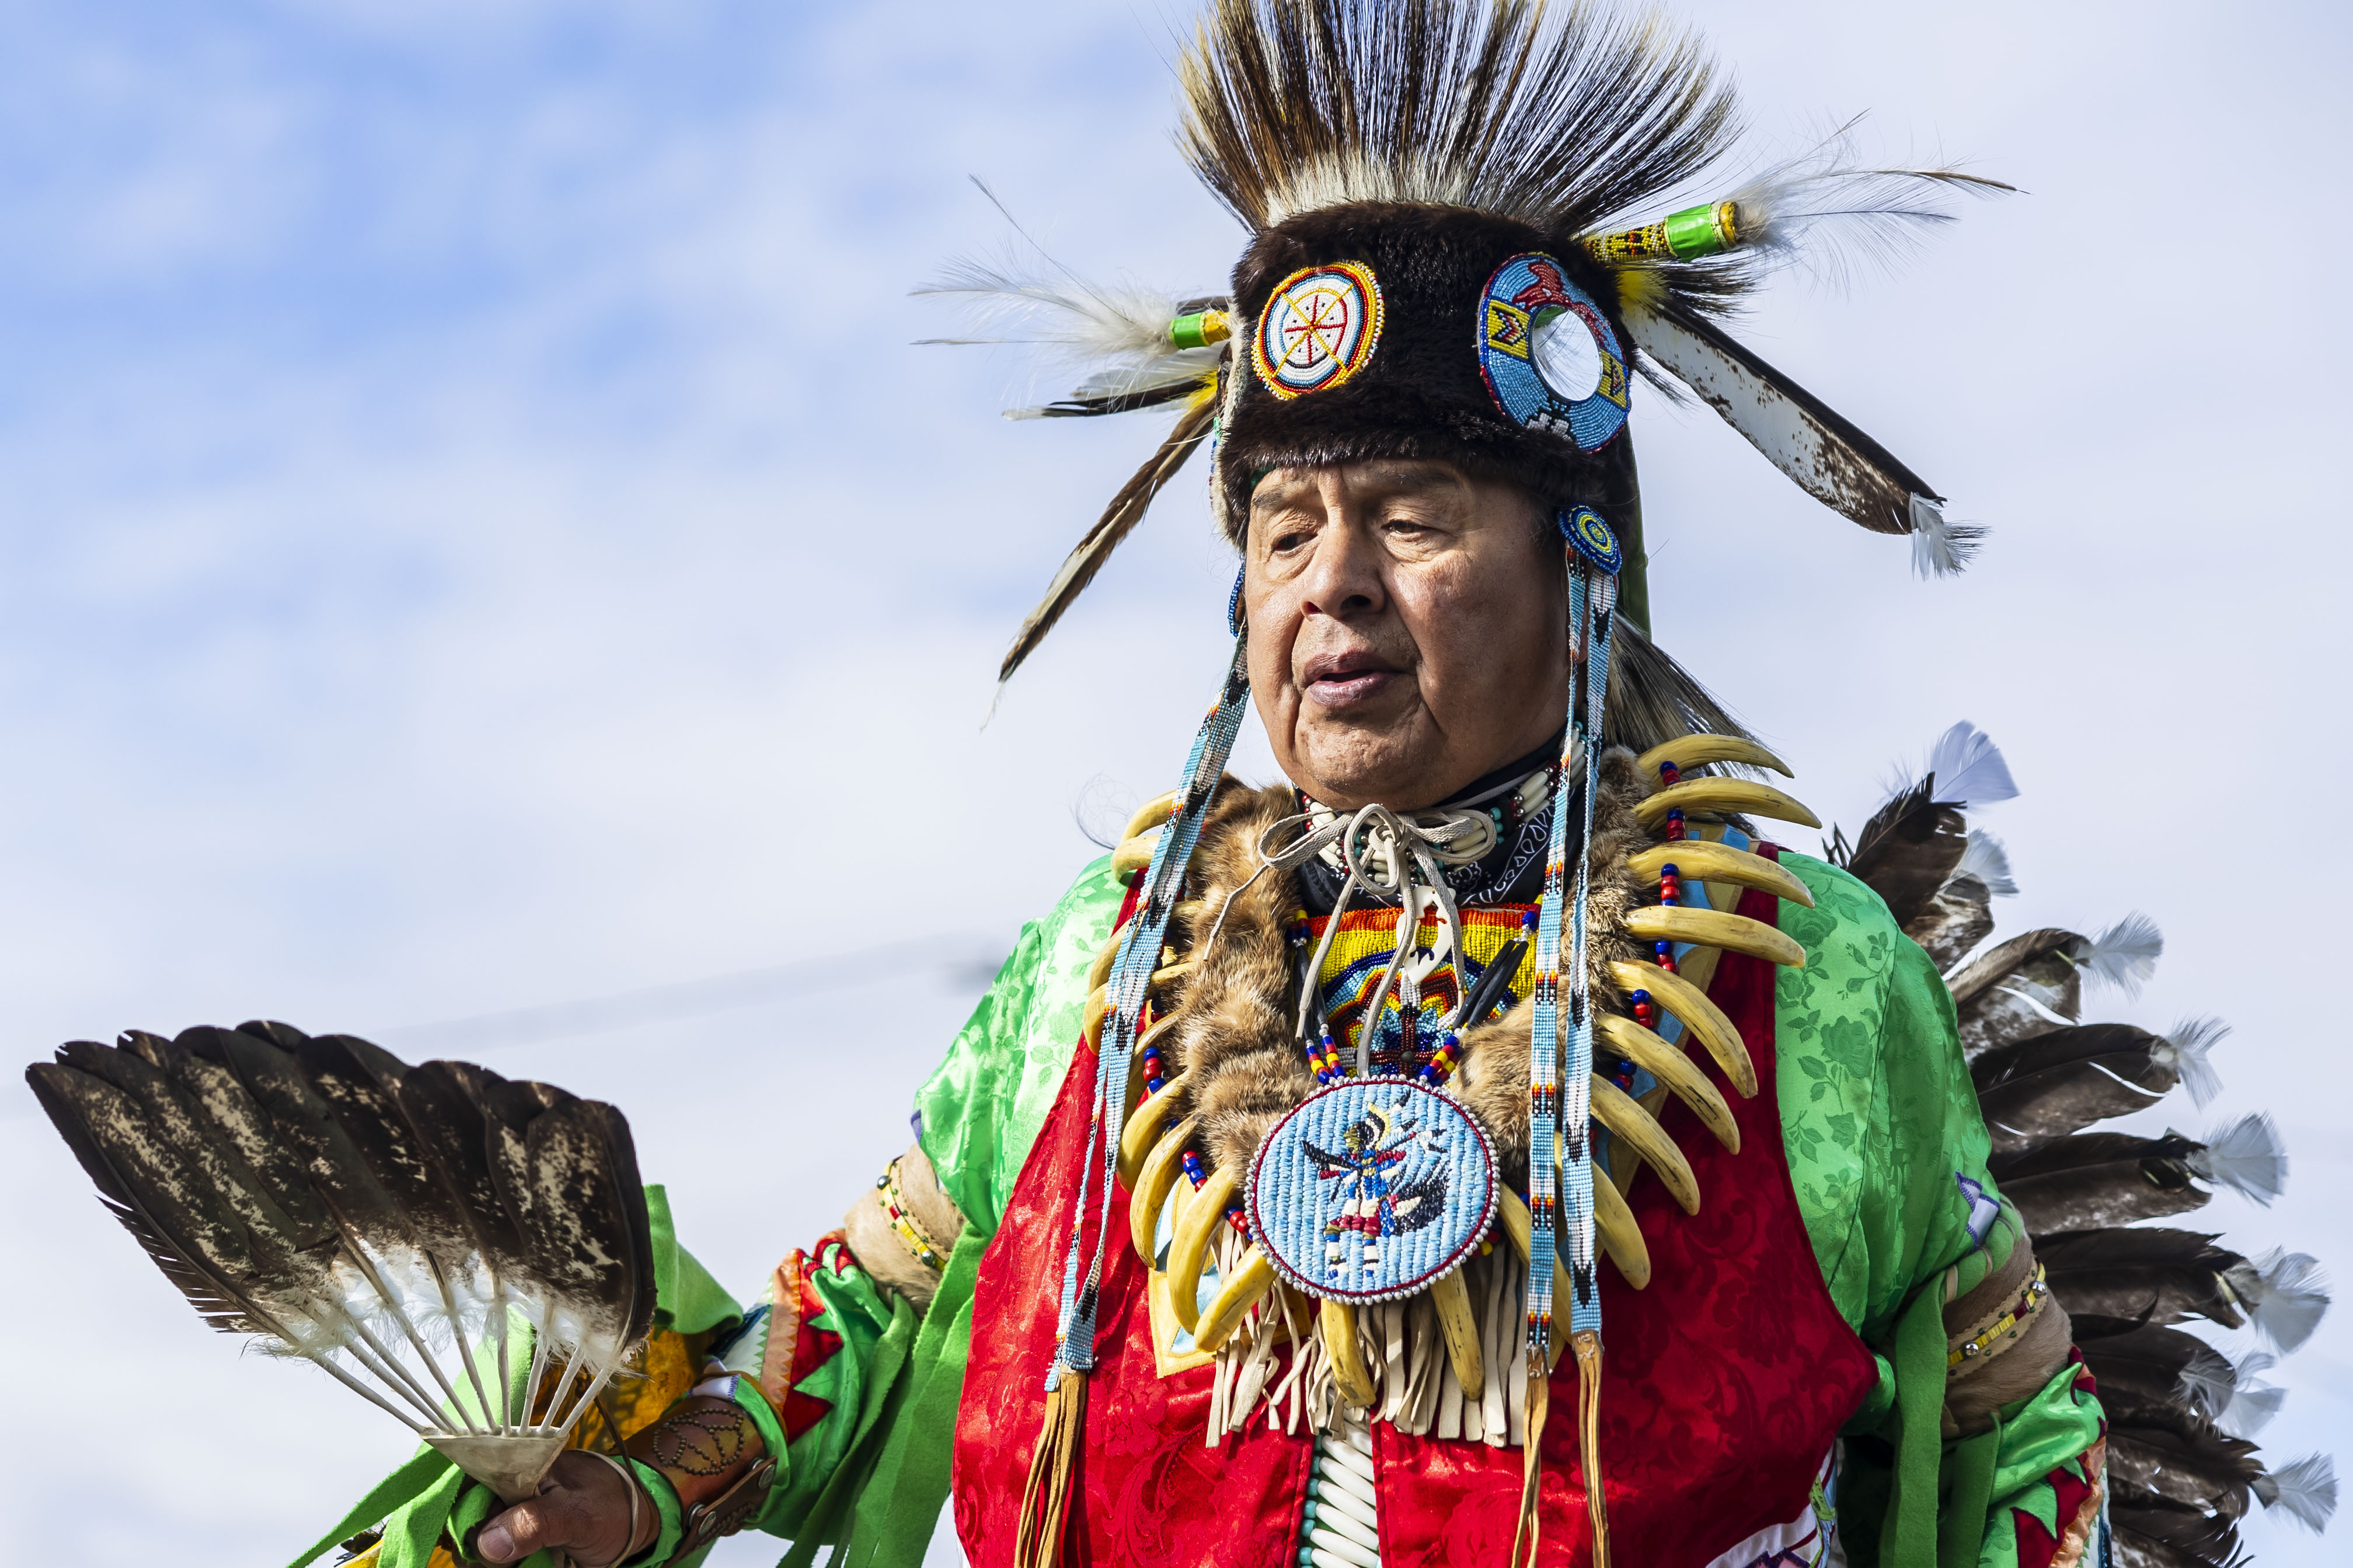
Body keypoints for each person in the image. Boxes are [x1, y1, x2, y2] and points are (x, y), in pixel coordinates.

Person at [308, 5, 2328, 1567]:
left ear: (1578, 572)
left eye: (1413, 516)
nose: (1332, 585)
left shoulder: (1799, 982)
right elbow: (862, 1322)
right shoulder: (1101, 971)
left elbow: (2009, 1431)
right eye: (1285, 531)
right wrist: (635, 1492)